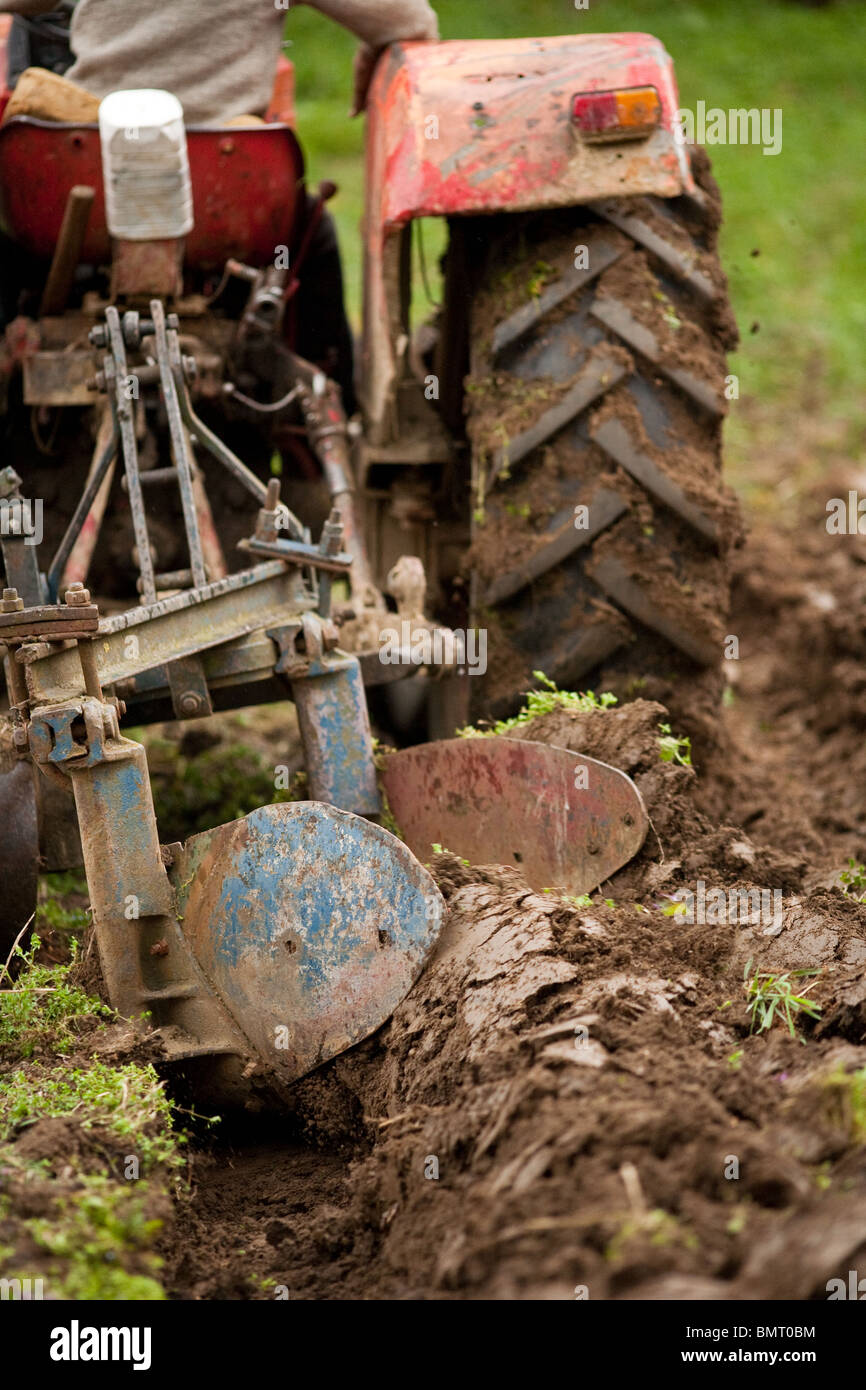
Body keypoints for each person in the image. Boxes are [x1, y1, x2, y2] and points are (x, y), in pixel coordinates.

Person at [0, 1, 440, 409]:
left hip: (89, 183)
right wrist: (369, 55)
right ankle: (329, 419)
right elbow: (412, 22)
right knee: (311, 237)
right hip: (221, 190)